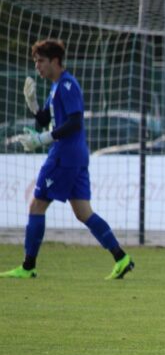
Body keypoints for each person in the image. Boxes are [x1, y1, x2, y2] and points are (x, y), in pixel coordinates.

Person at [0, 39, 134, 280]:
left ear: (55, 61)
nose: (37, 66)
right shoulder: (55, 87)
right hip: (75, 156)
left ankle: (28, 266)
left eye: (40, 61)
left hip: (64, 156)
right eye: (35, 62)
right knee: (83, 212)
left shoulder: (67, 85)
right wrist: (33, 106)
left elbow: (75, 121)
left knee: (36, 205)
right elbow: (44, 119)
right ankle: (121, 257)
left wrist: (44, 139)